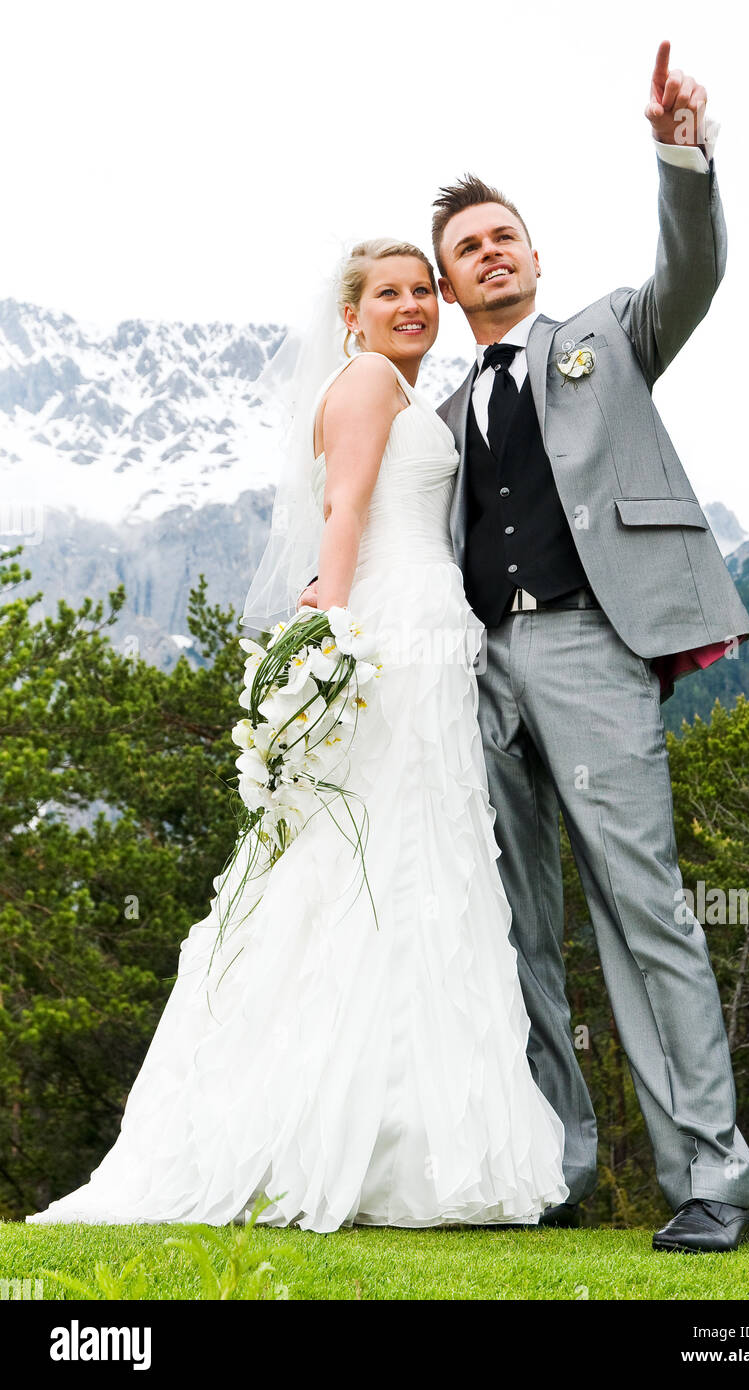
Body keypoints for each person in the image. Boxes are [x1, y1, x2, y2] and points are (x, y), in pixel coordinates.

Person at [304, 40, 749, 1254]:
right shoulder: (439, 412)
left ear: (533, 255)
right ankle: (546, 1163)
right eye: (464, 250)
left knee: (638, 907)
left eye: (502, 235)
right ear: (446, 290)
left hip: (586, 651)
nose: (487, 252)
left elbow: (693, 268)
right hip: (470, 672)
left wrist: (679, 151)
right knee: (503, 922)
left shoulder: (610, 334)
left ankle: (708, 1175)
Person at [24, 239, 569, 1233]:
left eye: (420, 291)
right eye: (388, 293)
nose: (410, 305)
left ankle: (406, 1136)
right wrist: (332, 630)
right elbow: (345, 509)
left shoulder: (402, 392)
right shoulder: (365, 380)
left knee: (419, 863)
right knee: (372, 862)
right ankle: (342, 1136)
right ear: (352, 315)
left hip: (430, 638)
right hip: (393, 634)